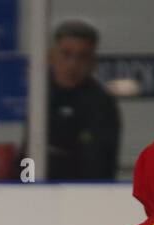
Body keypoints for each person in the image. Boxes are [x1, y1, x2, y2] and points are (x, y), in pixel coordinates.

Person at [46, 20, 120, 181]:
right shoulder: (40, 97)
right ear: (51, 57)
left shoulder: (100, 105)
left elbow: (98, 164)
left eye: (82, 57)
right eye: (66, 54)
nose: (73, 64)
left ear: (93, 63)